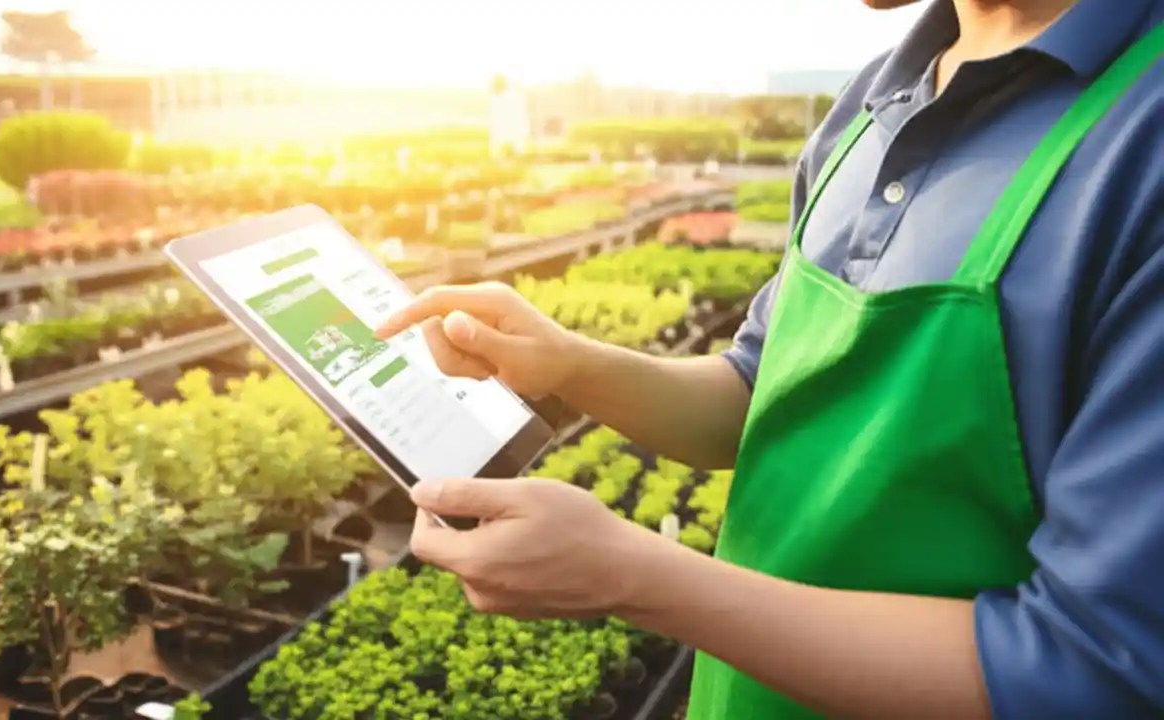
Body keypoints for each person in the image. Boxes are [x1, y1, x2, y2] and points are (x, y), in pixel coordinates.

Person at [375, 0, 1164, 716]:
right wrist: (572, 364)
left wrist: (631, 576)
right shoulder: (874, 98)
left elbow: (1087, 673)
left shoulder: (1142, 138)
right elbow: (759, 389)